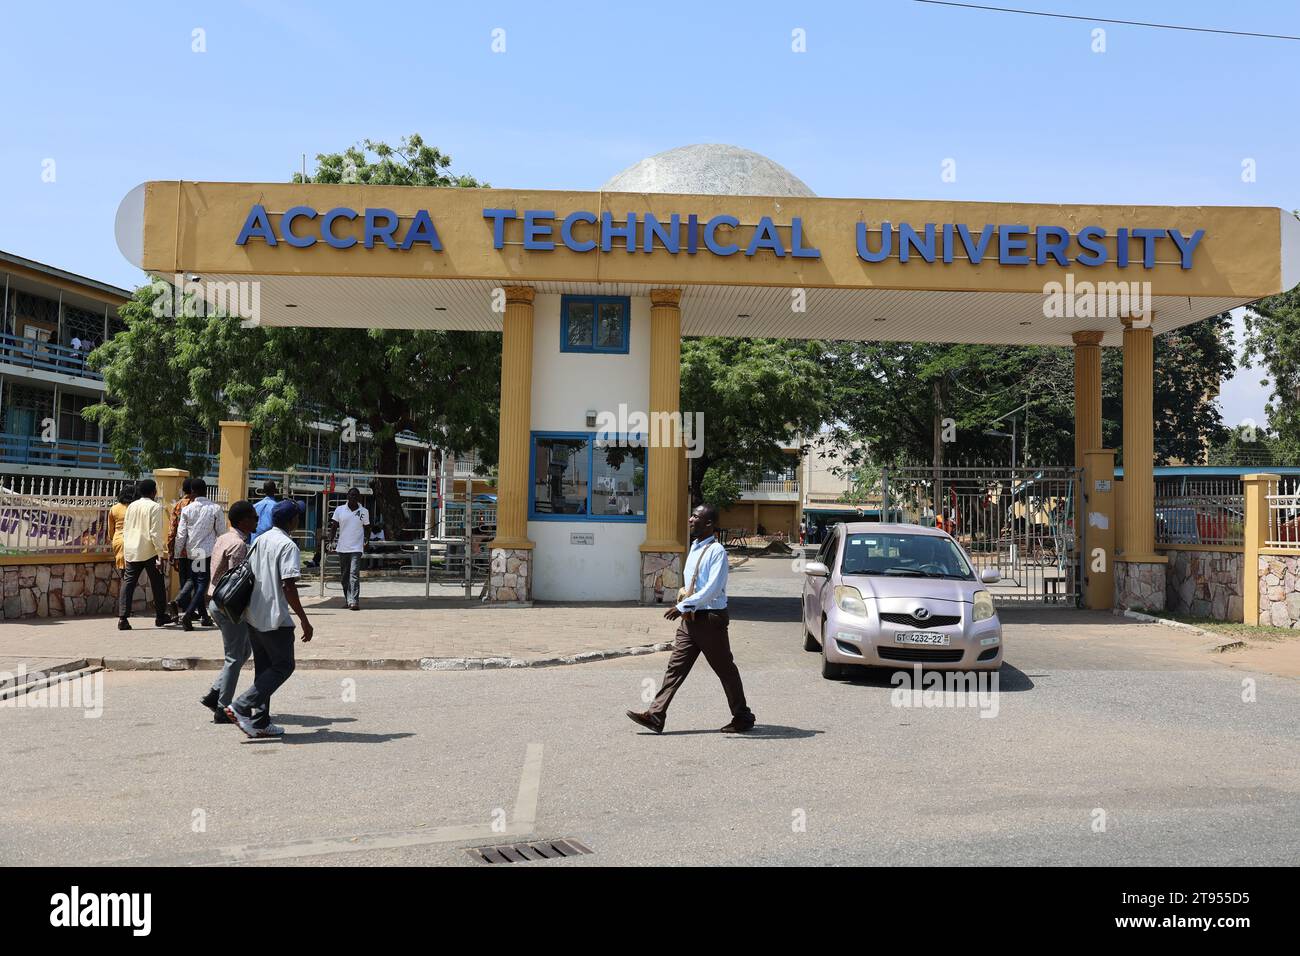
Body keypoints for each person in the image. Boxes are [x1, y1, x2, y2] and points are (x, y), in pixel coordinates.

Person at [626, 503, 756, 735]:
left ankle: (742, 716)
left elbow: (713, 589)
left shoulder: (717, 552)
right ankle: (656, 715)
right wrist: (685, 603)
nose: (690, 520)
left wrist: (682, 605)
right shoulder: (695, 546)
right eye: (691, 516)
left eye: (695, 517)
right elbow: (694, 584)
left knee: (725, 670)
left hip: (710, 619)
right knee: (675, 668)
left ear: (709, 523)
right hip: (691, 619)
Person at [226, 499, 314, 739]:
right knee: (285, 665)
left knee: (264, 669)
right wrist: (304, 620)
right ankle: (241, 705)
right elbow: (288, 585)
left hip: (253, 615)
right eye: (298, 516)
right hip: (275, 617)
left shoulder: (260, 539)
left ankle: (261, 722)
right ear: (292, 520)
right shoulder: (288, 546)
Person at [199, 499, 258, 723]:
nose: (257, 520)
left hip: (216, 601)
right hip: (228, 605)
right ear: (243, 521)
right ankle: (223, 708)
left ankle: (215, 693)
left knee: (242, 653)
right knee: (235, 656)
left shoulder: (224, 537)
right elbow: (237, 582)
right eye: (254, 517)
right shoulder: (239, 545)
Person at [174, 478, 226, 630]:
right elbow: (221, 532)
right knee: (202, 583)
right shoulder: (215, 508)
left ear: (192, 491)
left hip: (193, 551)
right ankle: (189, 614)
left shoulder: (187, 509)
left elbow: (181, 534)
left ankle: (197, 612)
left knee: (195, 581)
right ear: (205, 490)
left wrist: (178, 554)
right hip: (206, 551)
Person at [118, 478, 170, 630]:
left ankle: (123, 617)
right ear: (154, 492)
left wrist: (127, 548)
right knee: (158, 584)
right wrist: (160, 554)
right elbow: (155, 533)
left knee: (128, 583)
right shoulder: (155, 507)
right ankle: (160, 616)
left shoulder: (131, 506)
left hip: (132, 549)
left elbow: (126, 528)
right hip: (149, 551)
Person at [327, 486, 370, 611]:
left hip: (356, 548)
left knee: (354, 574)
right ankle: (348, 599)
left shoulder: (364, 512)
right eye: (351, 495)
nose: (353, 497)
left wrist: (367, 539)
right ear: (347, 496)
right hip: (343, 547)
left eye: (355, 495)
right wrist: (330, 539)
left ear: (359, 497)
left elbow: (367, 528)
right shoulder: (339, 510)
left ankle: (354, 601)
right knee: (345, 577)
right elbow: (334, 527)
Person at [166, 478, 197, 622]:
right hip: (198, 550)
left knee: (184, 579)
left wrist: (172, 551)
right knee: (198, 579)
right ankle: (185, 606)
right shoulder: (198, 505)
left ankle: (187, 608)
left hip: (181, 550)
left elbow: (172, 530)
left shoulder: (178, 506)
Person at [107, 484, 136, 577]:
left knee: (124, 572)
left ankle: (124, 590)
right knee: (131, 572)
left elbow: (110, 530)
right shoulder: (135, 508)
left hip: (118, 540)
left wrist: (112, 539)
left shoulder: (114, 508)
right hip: (133, 540)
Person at [250, 479, 282, 544]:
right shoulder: (277, 507)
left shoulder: (255, 506)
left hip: (254, 542)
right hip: (270, 543)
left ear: (263, 491)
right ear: (275, 491)